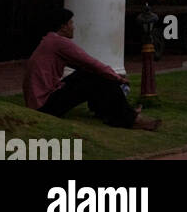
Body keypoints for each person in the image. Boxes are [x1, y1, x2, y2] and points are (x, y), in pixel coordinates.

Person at [23, 9, 159, 131]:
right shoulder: (59, 43)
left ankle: (109, 113)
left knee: (93, 75)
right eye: (71, 23)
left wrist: (109, 75)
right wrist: (116, 77)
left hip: (41, 102)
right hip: (44, 106)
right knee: (95, 75)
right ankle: (130, 118)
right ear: (63, 26)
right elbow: (90, 62)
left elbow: (85, 67)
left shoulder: (50, 41)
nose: (73, 27)